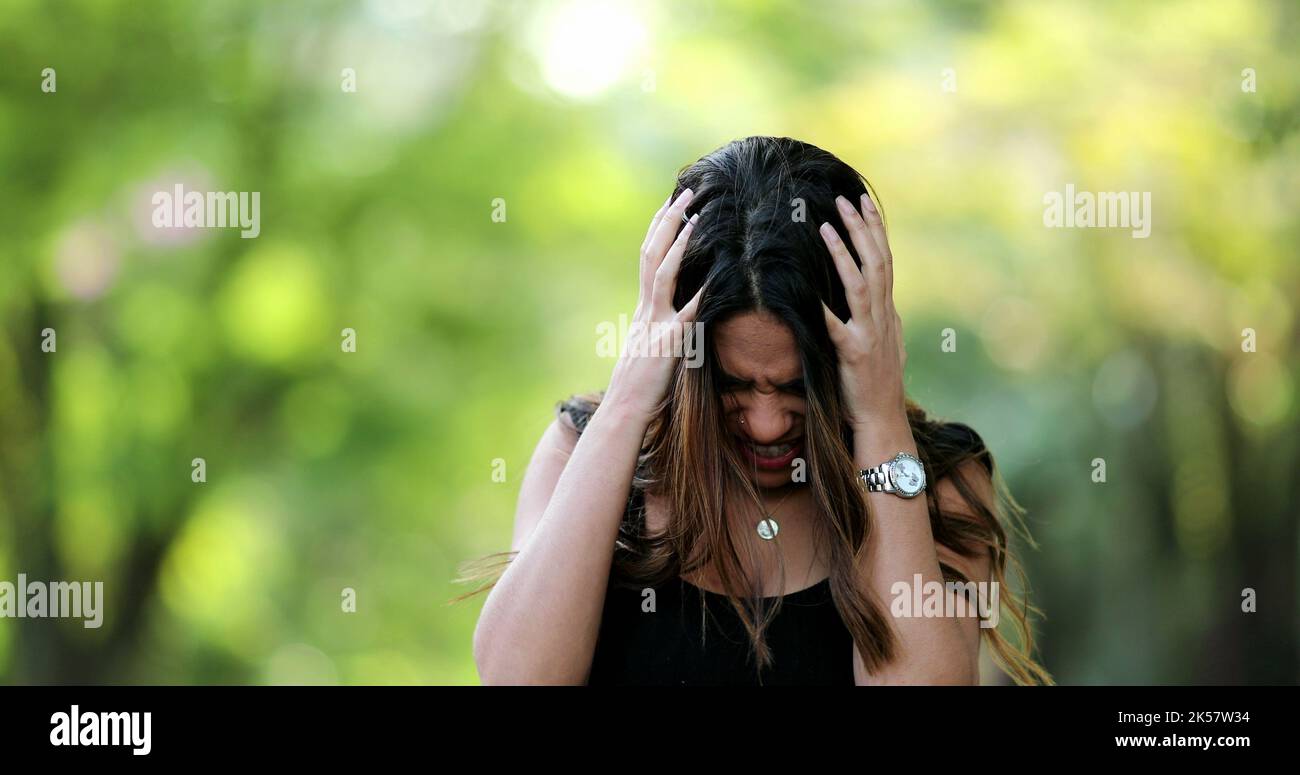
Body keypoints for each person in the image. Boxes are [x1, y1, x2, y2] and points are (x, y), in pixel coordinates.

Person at [464, 136, 1051, 685]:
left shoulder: (935, 483)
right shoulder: (585, 449)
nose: (767, 425)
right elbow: (518, 677)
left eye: (799, 389)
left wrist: (878, 422)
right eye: (733, 387)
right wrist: (627, 401)